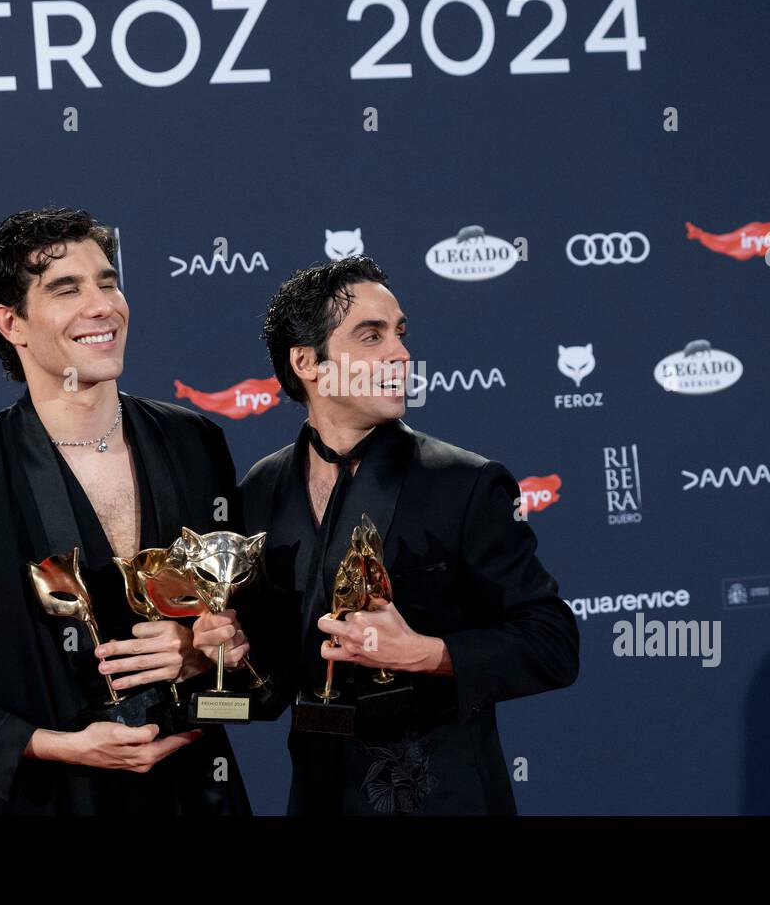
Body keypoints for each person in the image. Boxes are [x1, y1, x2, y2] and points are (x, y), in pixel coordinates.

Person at [0, 207, 260, 814]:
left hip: (198, 797)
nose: (102, 306)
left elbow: (249, 643)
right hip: (46, 803)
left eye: (108, 282)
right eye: (66, 290)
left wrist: (204, 651)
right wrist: (58, 747)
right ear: (11, 322)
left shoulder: (193, 443)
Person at [240, 255, 580, 815]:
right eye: (371, 336)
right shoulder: (262, 489)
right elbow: (272, 680)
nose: (400, 355)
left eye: (400, 334)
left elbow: (554, 643)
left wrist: (426, 653)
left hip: (442, 797)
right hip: (318, 799)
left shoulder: (464, 483)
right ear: (307, 362)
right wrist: (225, 654)